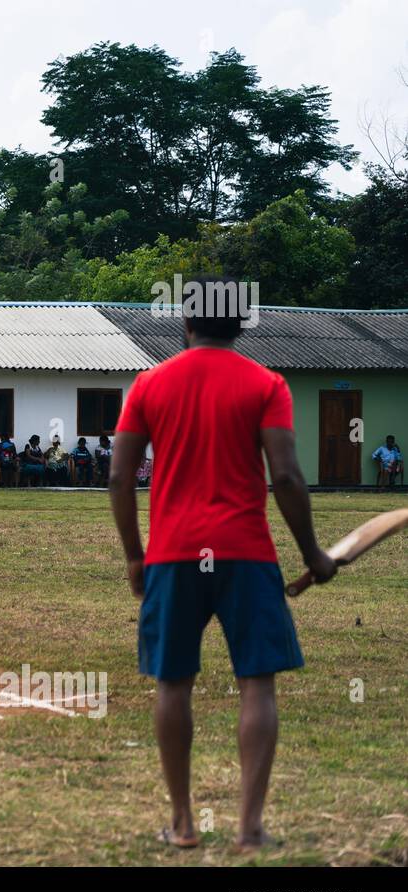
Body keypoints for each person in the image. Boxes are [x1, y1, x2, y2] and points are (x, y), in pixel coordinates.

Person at [109, 281, 336, 853]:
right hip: (246, 553)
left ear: (185, 325)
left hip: (175, 554)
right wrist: (313, 555)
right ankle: (249, 828)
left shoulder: (148, 384)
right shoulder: (266, 384)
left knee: (173, 682)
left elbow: (119, 476)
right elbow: (284, 475)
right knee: (256, 682)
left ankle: (183, 824)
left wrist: (136, 555)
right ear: (242, 326)